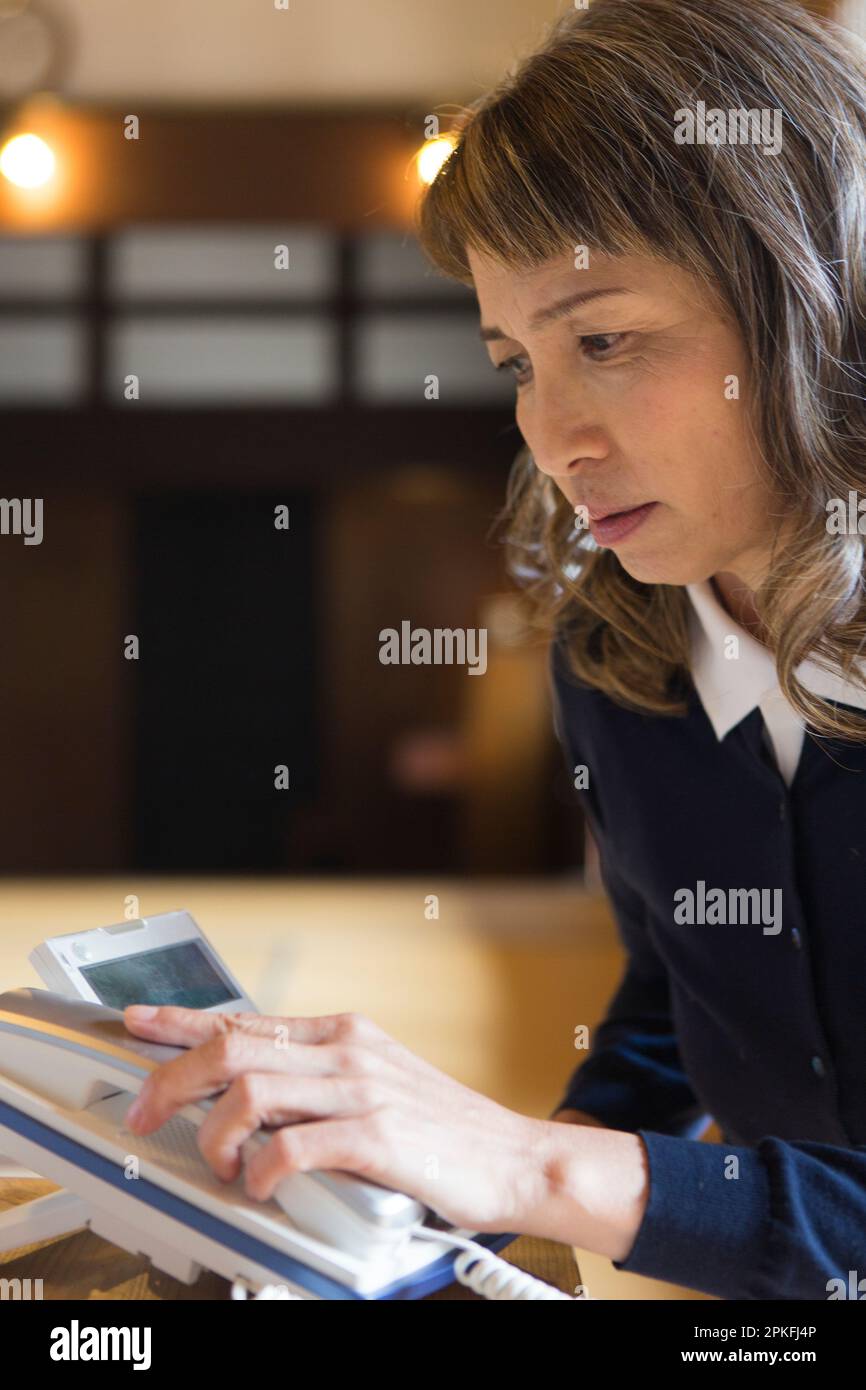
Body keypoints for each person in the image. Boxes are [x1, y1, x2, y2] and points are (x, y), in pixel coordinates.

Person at [124, 0, 866, 1299]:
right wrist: (458, 1190)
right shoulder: (618, 657)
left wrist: (534, 1166)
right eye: (515, 358)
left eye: (603, 339)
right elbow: (678, 989)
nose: (553, 432)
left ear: (807, 297)